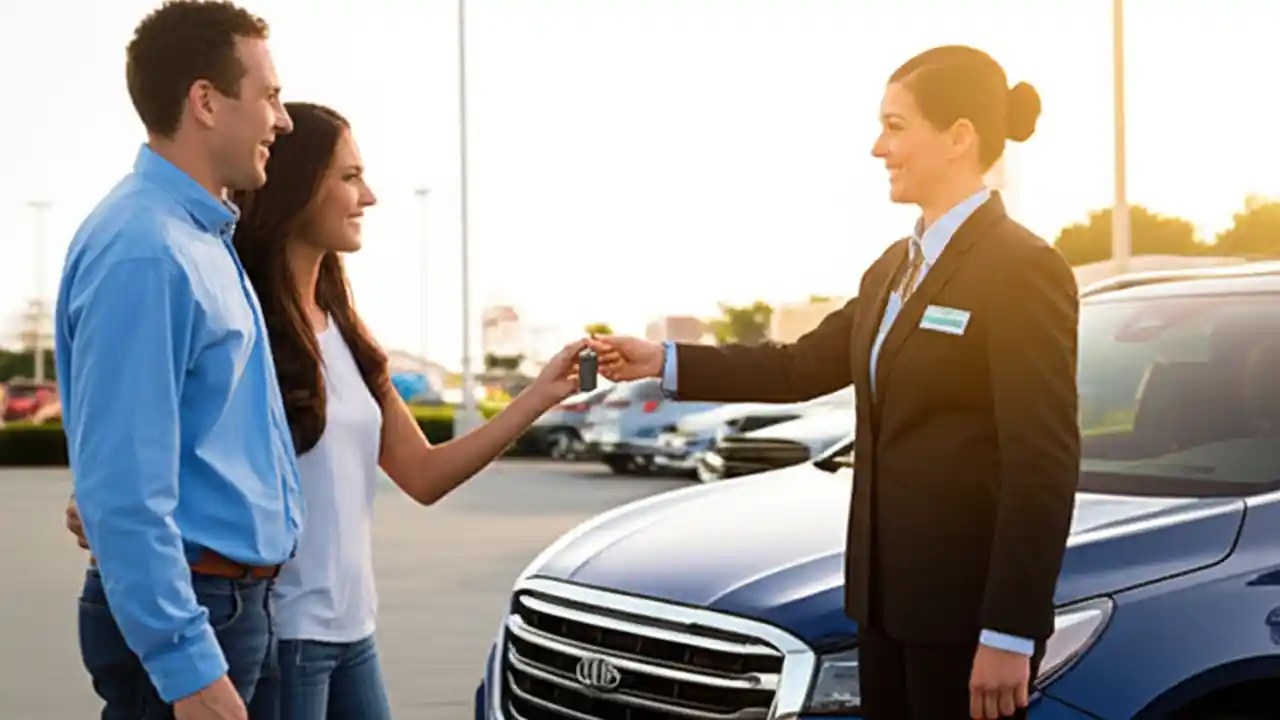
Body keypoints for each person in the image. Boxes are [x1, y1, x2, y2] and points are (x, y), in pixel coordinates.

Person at [589, 45, 1080, 720]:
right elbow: (799, 366)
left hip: (963, 620)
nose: (879, 148)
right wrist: (663, 361)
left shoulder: (1022, 268)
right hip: (881, 609)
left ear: (958, 137)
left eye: (895, 126)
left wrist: (1010, 631)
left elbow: (1042, 461)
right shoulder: (893, 267)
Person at [69, 101, 590, 720]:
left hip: (351, 633)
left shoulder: (343, 326)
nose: (368, 196)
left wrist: (541, 395)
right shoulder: (239, 321)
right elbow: (149, 447)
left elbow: (423, 474)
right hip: (283, 633)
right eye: (349, 176)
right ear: (298, 187)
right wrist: (102, 510)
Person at [54, 2, 298, 719]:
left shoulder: (198, 238)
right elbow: (125, 488)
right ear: (206, 102)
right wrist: (186, 667)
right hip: (197, 614)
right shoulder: (147, 251)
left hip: (231, 604)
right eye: (269, 96)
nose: (282, 120)